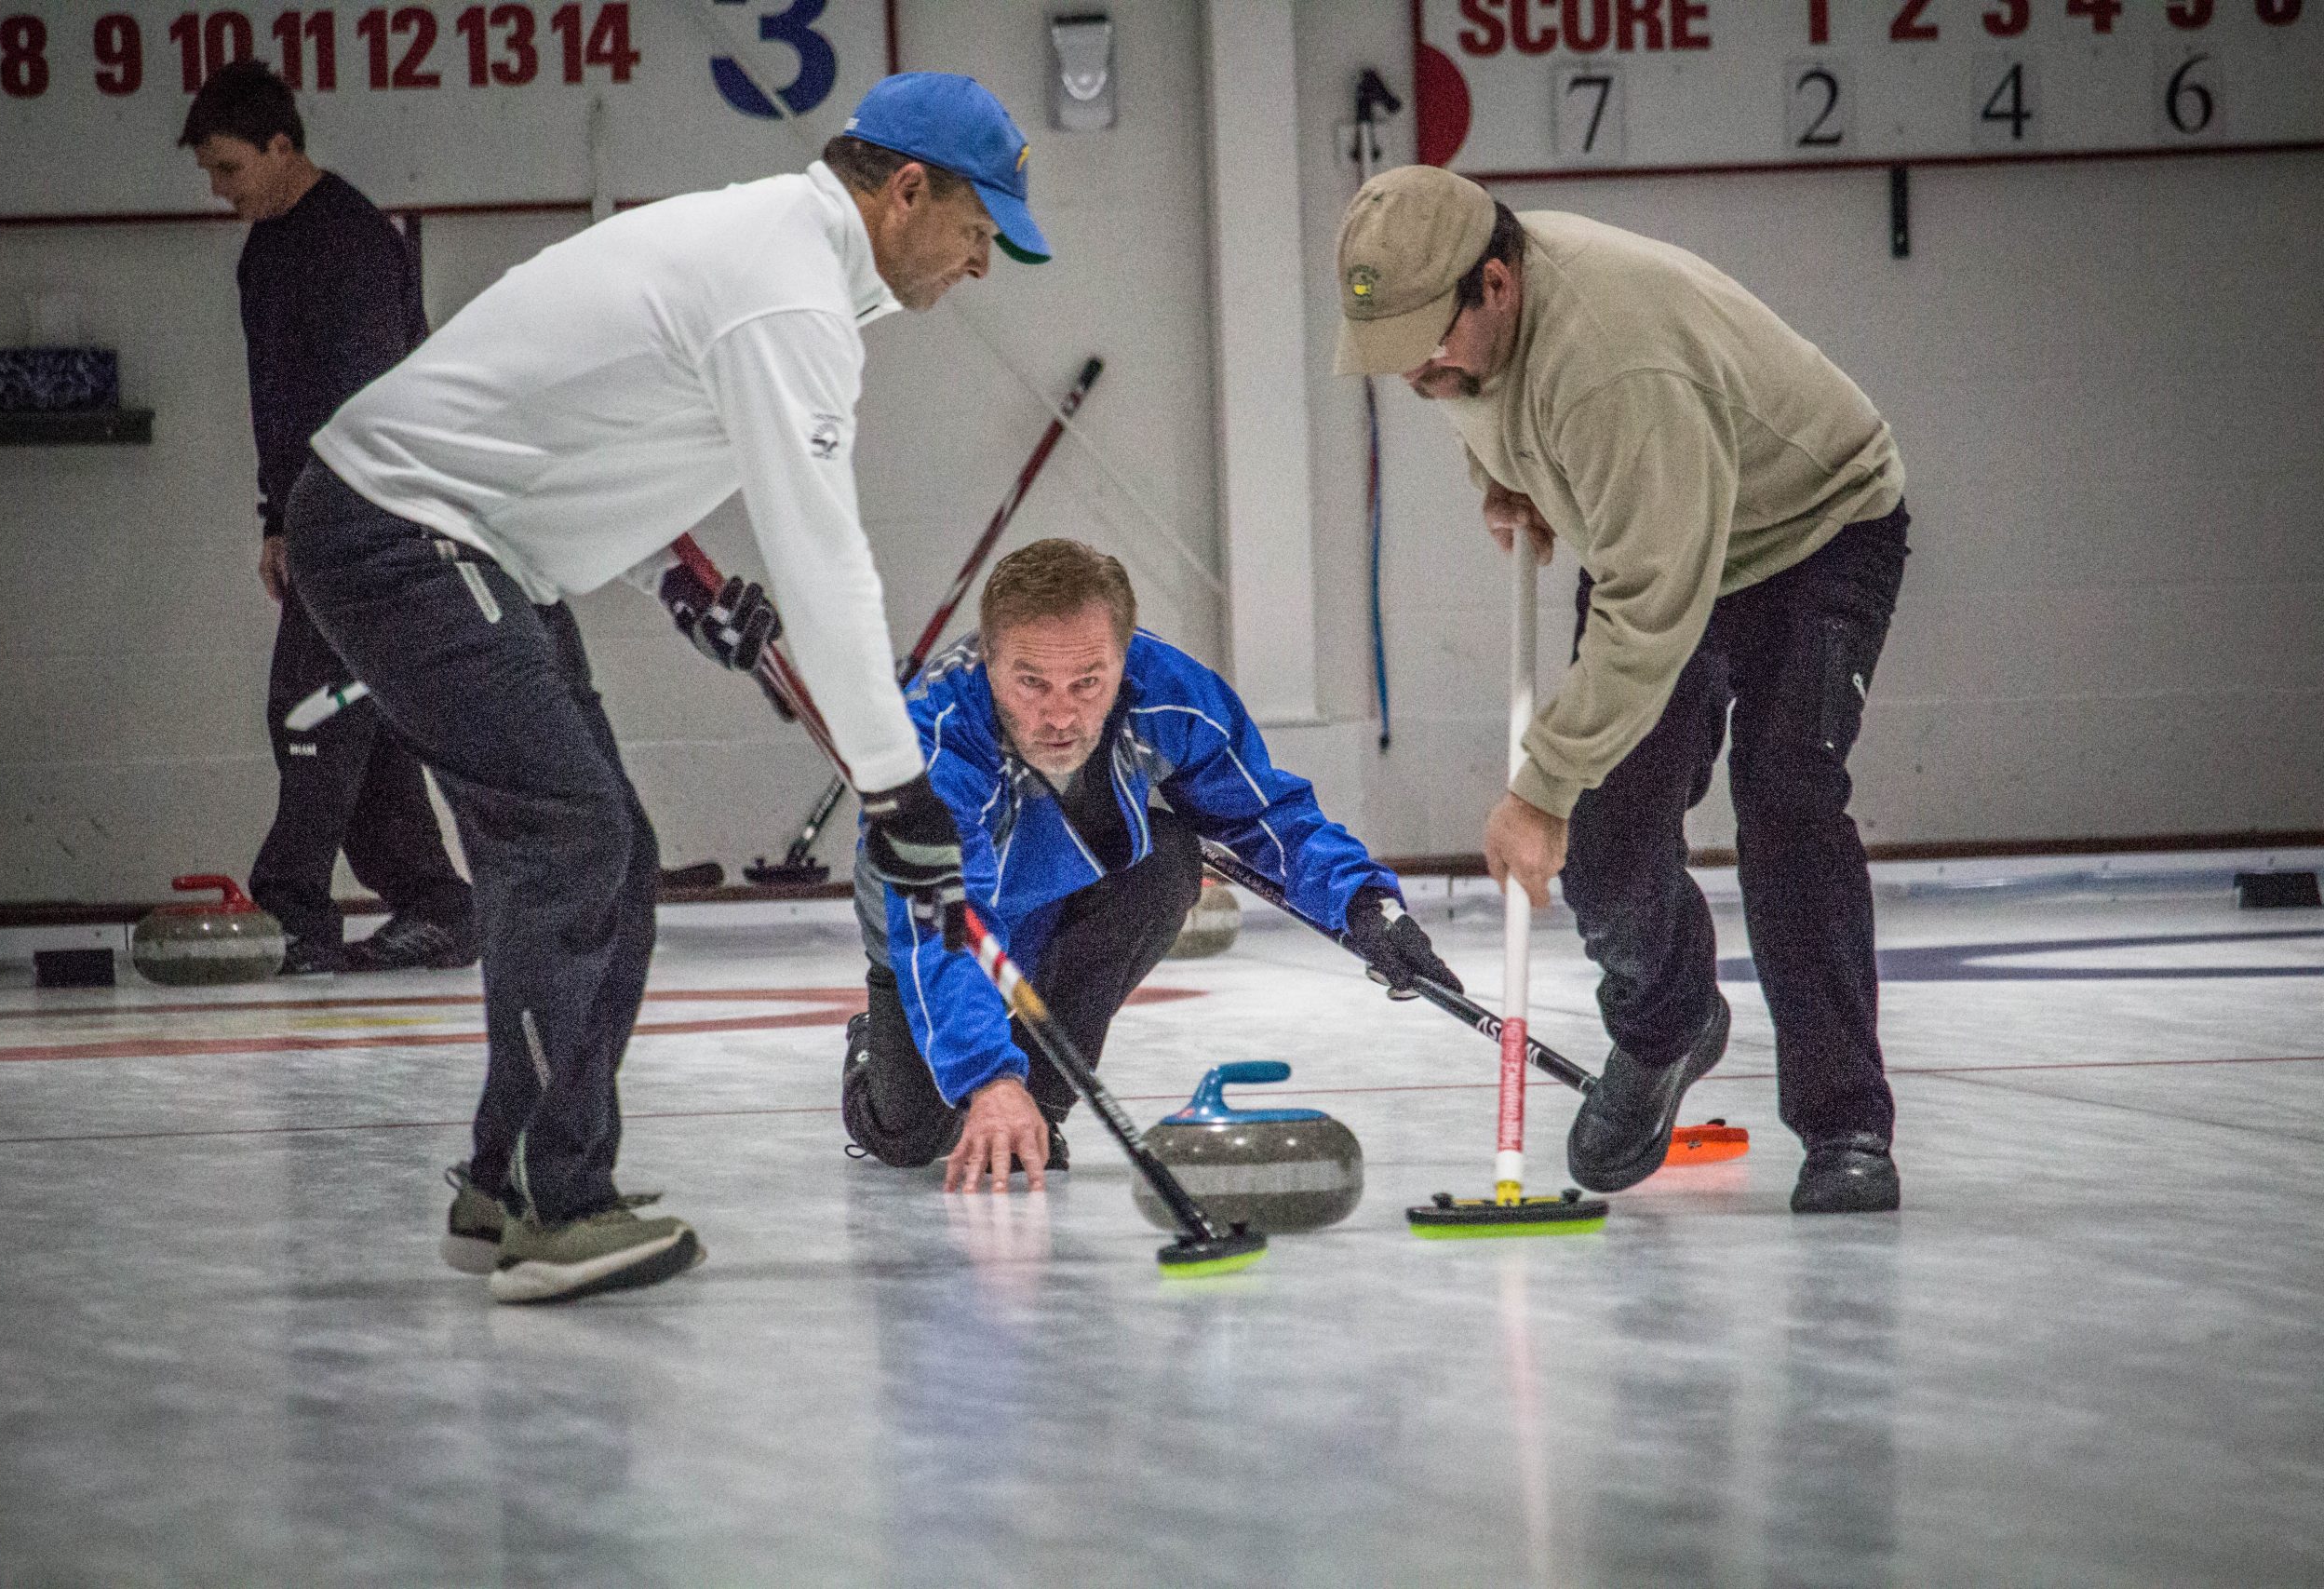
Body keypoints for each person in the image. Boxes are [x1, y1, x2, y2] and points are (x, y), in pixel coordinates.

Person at [282, 72, 1050, 1300]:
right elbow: (823, 553)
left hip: (467, 541)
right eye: (981, 228)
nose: (985, 263)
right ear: (908, 191)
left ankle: (506, 1186)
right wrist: (899, 792)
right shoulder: (785, 290)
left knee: (610, 846)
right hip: (405, 527)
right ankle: (551, 1203)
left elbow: (587, 430)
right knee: (573, 833)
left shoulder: (775, 267)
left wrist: (675, 581)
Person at [1335, 167, 1910, 1214]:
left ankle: (1844, 1125)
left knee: (1784, 800)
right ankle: (1669, 1023)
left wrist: (1538, 786)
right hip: (1657, 527)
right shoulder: (1464, 344)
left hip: (1813, 530)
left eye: (1427, 338)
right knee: (1609, 848)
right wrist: (1507, 481)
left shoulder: (1613, 361)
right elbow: (1489, 406)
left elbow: (1654, 600)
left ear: (1496, 286)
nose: (1415, 368)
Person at [840, 538, 1461, 1191]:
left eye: (1088, 682)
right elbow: (941, 922)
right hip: (932, 916)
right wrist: (988, 1077)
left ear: (1124, 657)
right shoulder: (937, 734)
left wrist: (1366, 905)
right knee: (911, 1137)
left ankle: (1045, 1106)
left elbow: (1266, 814)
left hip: (1071, 884)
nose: (1059, 714)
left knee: (1169, 861)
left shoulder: (1170, 692)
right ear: (989, 660)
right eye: (1031, 682)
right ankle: (871, 1045)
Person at [180, 61, 476, 976]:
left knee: (309, 709)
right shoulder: (265, 252)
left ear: (281, 147)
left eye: (230, 169)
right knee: (356, 717)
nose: (220, 191)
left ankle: (294, 913)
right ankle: (437, 907)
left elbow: (363, 399)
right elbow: (277, 403)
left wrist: (326, 524)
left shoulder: (347, 241)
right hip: (315, 518)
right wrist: (277, 521)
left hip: (369, 516)